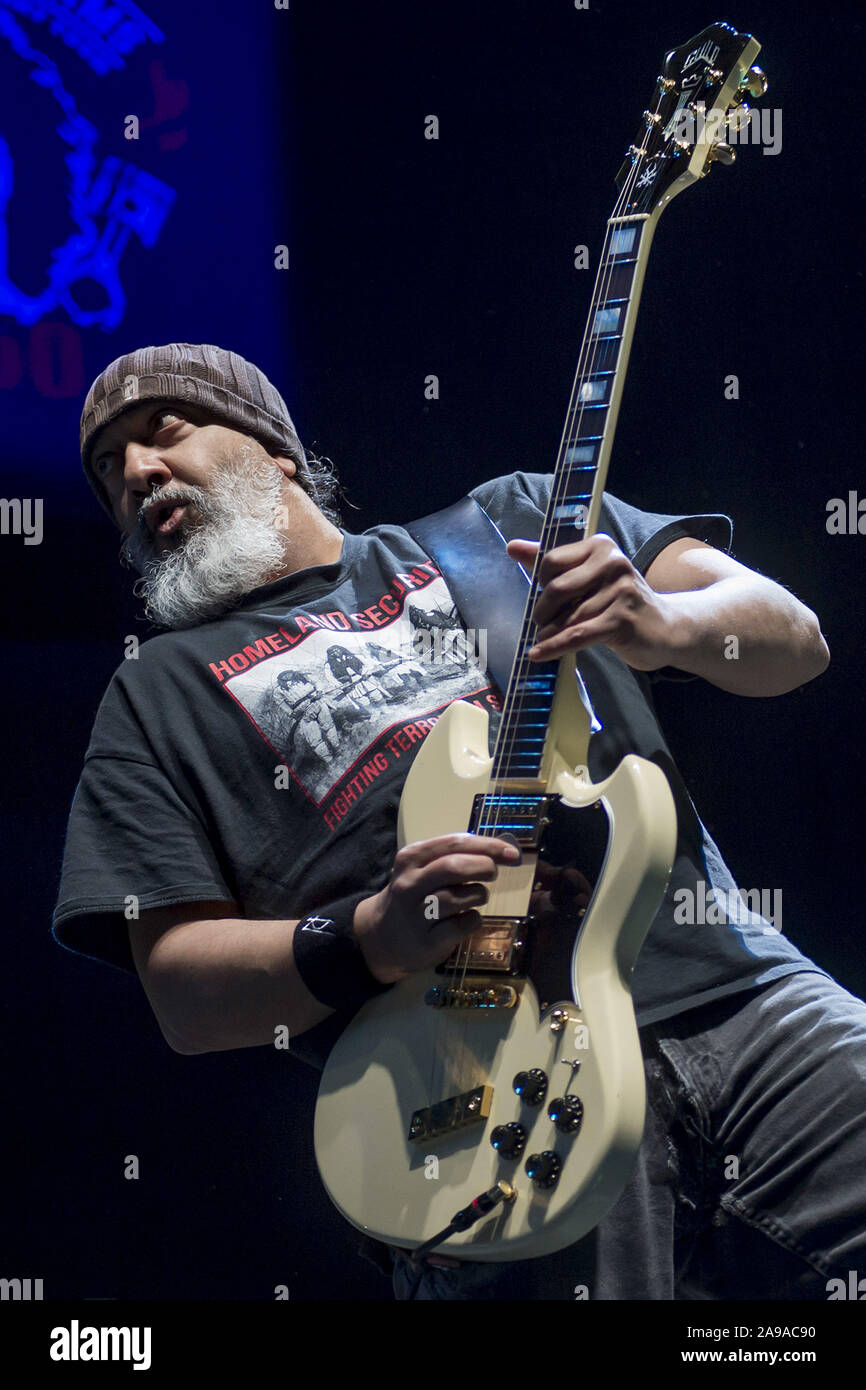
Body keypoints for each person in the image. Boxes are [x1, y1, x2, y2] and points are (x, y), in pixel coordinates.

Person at [53, 342, 866, 1302]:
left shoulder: (508, 522)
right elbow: (185, 996)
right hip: (476, 1092)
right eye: (109, 471)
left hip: (738, 999)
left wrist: (665, 624)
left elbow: (793, 639)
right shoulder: (153, 695)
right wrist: (369, 935)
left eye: (164, 434)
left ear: (277, 450)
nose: (137, 475)